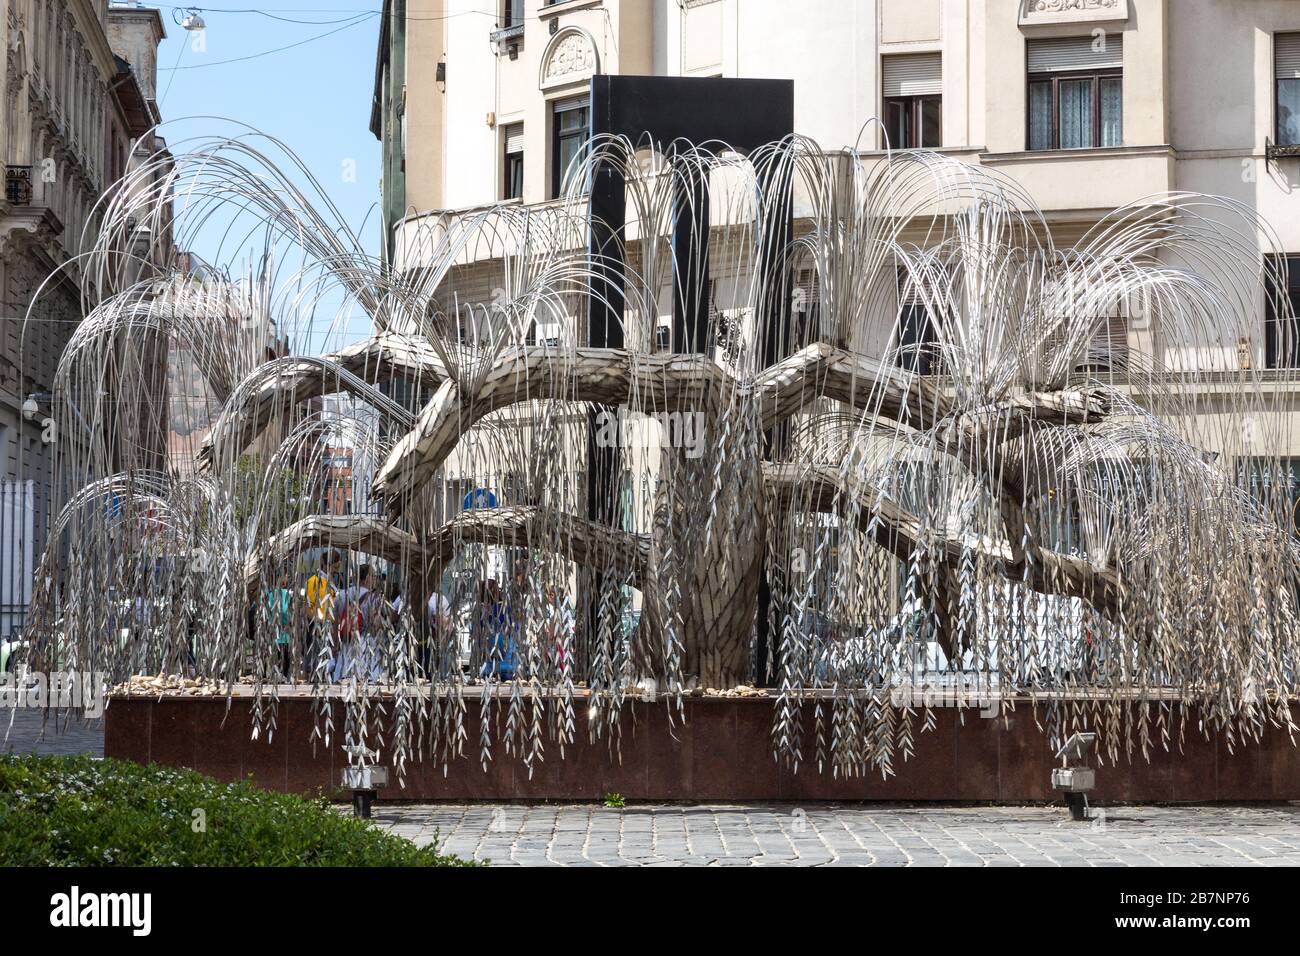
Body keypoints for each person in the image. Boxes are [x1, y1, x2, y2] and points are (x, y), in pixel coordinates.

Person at [332, 564, 380, 682]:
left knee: (344, 682)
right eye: (374, 576)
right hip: (365, 646)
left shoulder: (341, 595)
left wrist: (334, 647)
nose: (375, 579)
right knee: (366, 683)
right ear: (368, 578)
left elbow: (335, 624)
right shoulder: (372, 598)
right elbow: (375, 624)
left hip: (346, 645)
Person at [305, 552, 338, 675]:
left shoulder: (331, 583)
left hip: (330, 628)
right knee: (316, 664)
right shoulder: (314, 581)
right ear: (326, 565)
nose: (335, 571)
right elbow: (307, 608)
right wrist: (318, 622)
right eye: (334, 567)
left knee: (328, 664)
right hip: (318, 628)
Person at [475, 578, 514, 680]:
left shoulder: (479, 610)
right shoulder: (505, 608)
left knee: (488, 678)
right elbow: (513, 629)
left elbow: (476, 632)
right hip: (505, 658)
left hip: (487, 654)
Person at [266, 569, 294, 679]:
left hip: (272, 638)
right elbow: (286, 614)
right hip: (284, 638)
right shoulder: (286, 595)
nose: (287, 578)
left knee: (274, 673)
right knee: (285, 671)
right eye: (286, 576)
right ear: (281, 578)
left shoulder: (268, 595)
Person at [426, 586, 454, 678]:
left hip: (439, 636)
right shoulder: (437, 599)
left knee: (441, 660)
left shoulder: (436, 599)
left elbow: (445, 621)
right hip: (431, 637)